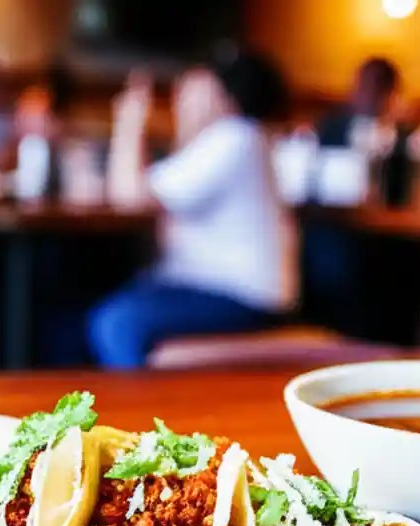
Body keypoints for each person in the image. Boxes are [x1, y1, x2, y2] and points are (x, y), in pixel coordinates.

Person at [88, 49, 297, 368]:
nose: (182, 92)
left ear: (222, 95)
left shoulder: (235, 136)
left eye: (195, 83)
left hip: (242, 296)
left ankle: (137, 415)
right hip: (216, 288)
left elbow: (129, 196)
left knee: (117, 322)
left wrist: (130, 120)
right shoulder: (240, 138)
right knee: (92, 308)